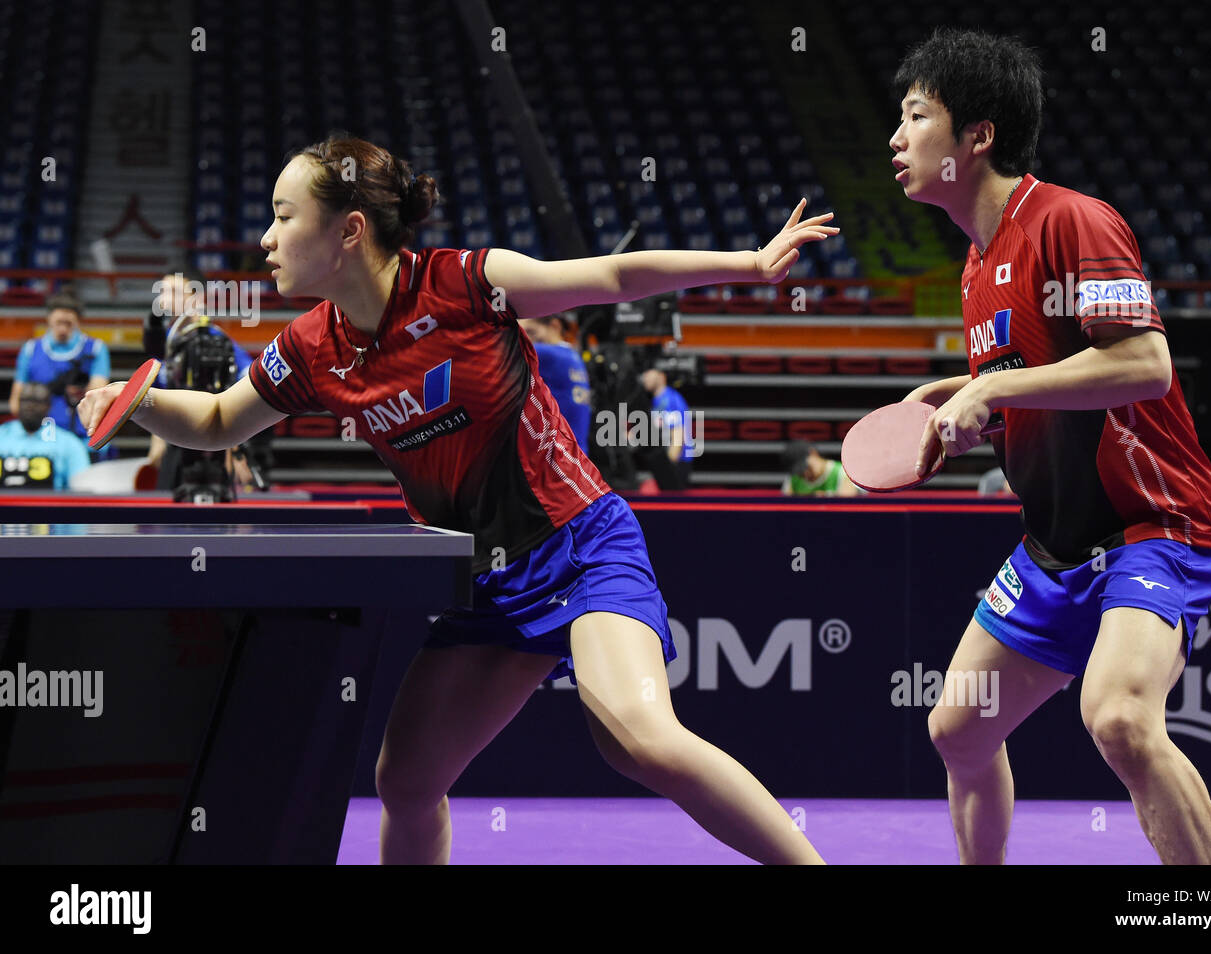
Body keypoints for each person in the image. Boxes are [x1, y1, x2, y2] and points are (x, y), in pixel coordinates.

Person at [80, 136, 838, 864]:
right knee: (406, 782)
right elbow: (217, 421)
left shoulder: (465, 283)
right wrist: (130, 400)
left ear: (348, 230)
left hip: (579, 546)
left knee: (638, 736)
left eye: (283, 215)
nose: (266, 238)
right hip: (483, 588)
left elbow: (609, 279)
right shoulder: (314, 347)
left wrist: (749, 261)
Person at [890, 28, 1211, 864]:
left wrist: (993, 387)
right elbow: (1046, 384)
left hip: (1153, 524)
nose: (896, 140)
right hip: (1057, 546)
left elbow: (1143, 364)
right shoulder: (976, 267)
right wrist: (954, 397)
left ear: (977, 135)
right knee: (959, 727)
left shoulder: (1070, 220)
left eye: (916, 115)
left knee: (1118, 717)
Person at [144, 271, 257, 492]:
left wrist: (233, 447)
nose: (165, 299)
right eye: (163, 291)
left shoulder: (216, 340)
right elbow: (155, 393)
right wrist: (156, 443)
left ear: (196, 298)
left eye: (174, 292)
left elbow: (245, 388)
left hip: (212, 446)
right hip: (173, 446)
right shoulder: (162, 344)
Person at [11, 293, 110, 445]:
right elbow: (15, 403)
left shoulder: (95, 349)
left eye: (68, 323)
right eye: (58, 322)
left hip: (82, 435)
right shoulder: (30, 349)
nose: (63, 329)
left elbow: (99, 395)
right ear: (49, 319)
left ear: (77, 321)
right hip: (41, 437)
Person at [517, 312, 591, 453]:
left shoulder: (548, 354)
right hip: (576, 455)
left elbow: (500, 350)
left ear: (555, 326)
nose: (526, 340)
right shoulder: (572, 355)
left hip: (559, 456)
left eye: (531, 332)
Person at [0, 383, 90, 489]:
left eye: (37, 401)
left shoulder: (69, 443)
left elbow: (82, 488)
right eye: (25, 400)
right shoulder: (2, 434)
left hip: (51, 504)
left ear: (49, 406)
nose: (30, 406)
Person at [640, 366, 697, 489]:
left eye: (648, 373)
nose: (645, 378)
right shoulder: (655, 401)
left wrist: (667, 467)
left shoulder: (670, 399)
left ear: (661, 376)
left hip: (677, 463)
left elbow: (677, 435)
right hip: (667, 463)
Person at [780, 440, 860, 496]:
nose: (805, 474)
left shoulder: (841, 473)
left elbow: (846, 504)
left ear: (813, 453)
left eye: (807, 467)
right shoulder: (793, 478)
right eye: (800, 473)